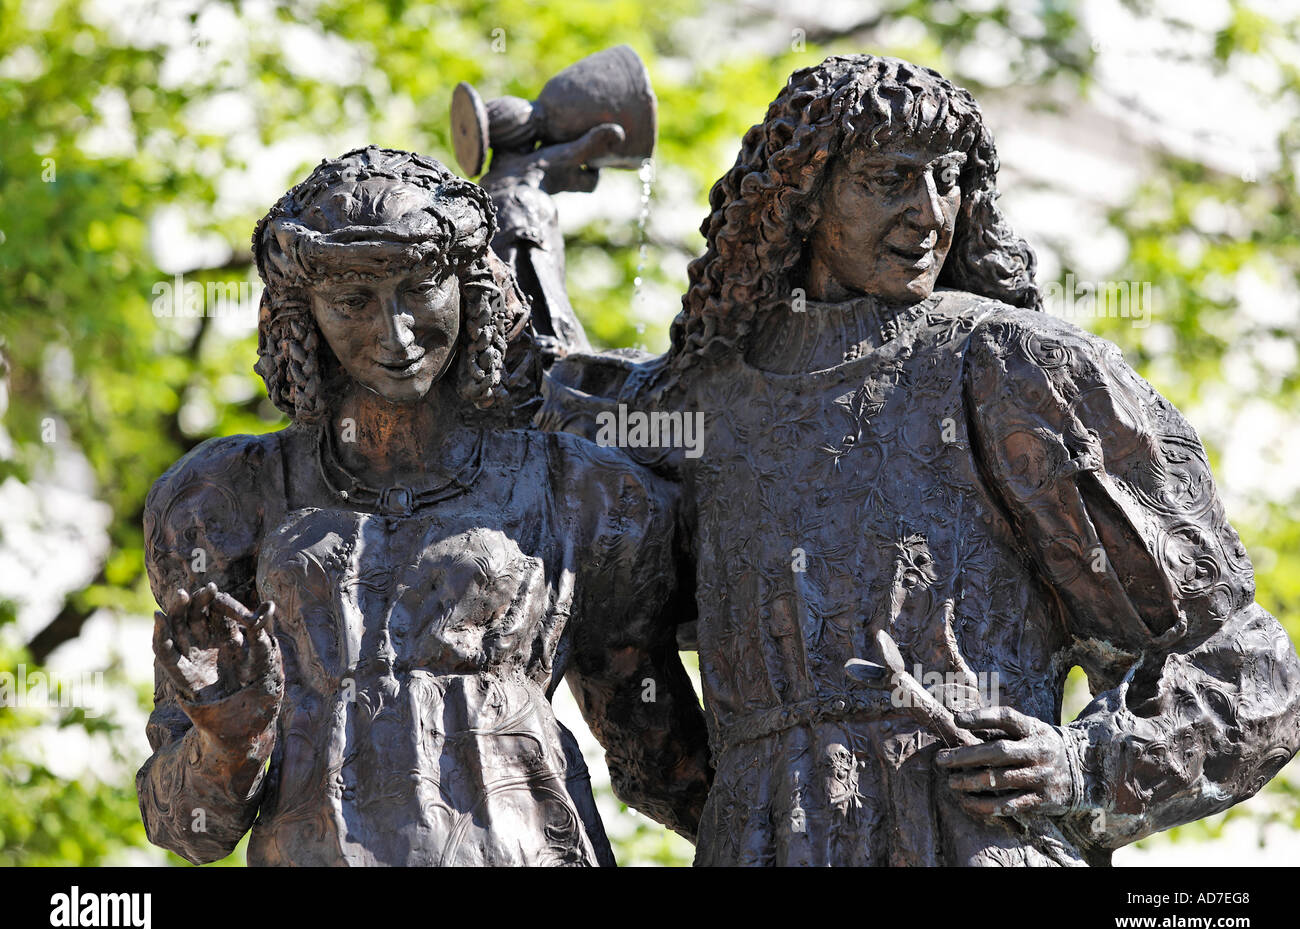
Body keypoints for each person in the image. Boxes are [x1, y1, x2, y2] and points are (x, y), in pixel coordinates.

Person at [516, 55, 1300, 865]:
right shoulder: (704, 406)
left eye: (949, 179)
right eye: (888, 178)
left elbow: (1246, 666)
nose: (928, 213)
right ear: (803, 195)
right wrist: (520, 201)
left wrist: (1084, 766)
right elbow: (538, 422)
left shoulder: (1013, 370)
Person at [136, 146, 710, 866]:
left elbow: (664, 759)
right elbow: (184, 828)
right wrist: (229, 739)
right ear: (302, 311)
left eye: (420, 287)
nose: (396, 332)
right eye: (353, 302)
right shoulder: (223, 497)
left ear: (471, 285)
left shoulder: (585, 494)